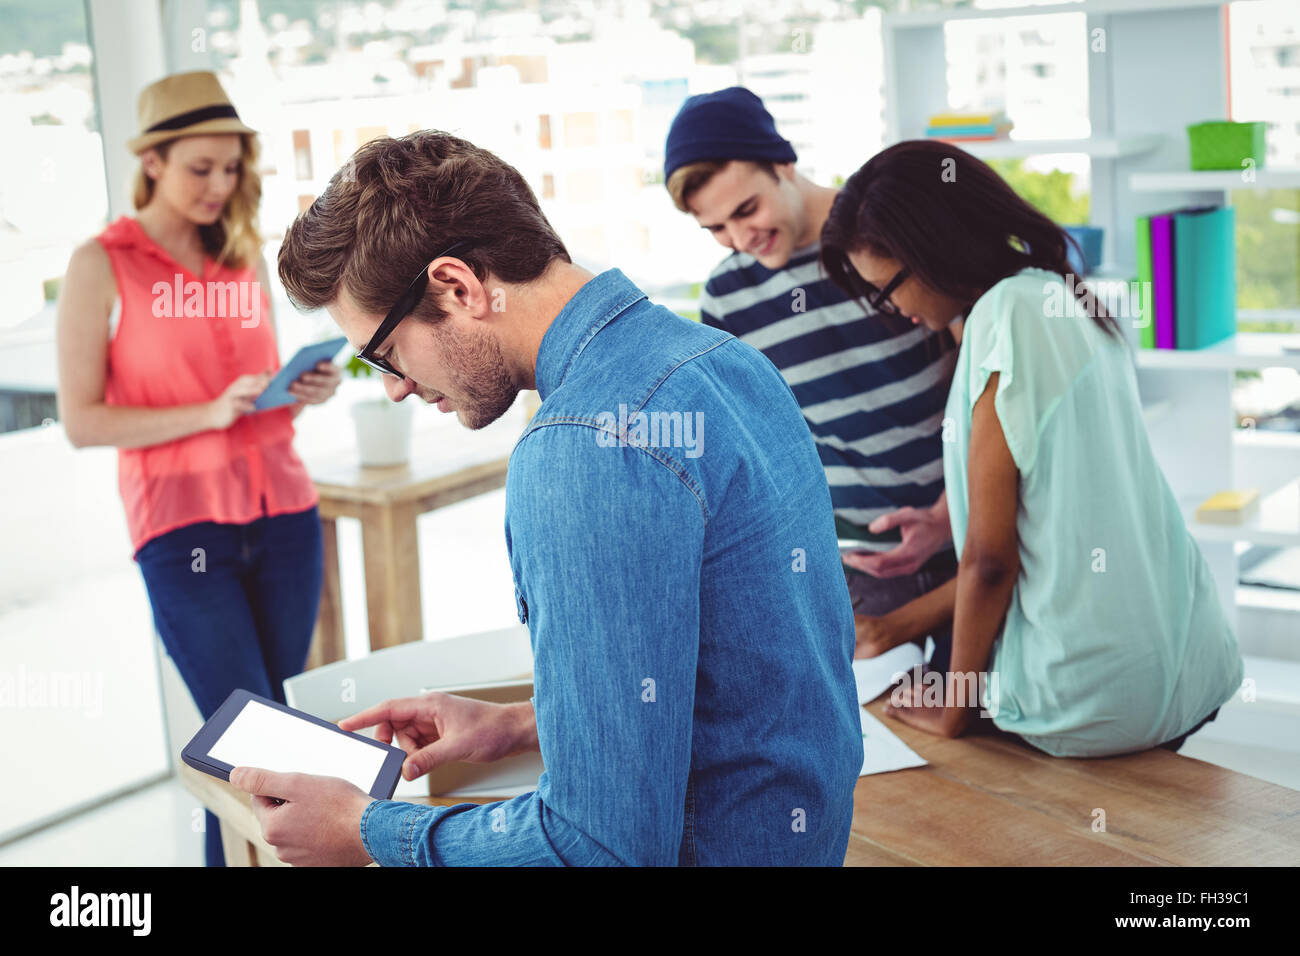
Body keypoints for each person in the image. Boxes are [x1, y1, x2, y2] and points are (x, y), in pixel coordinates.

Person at [226, 129, 863, 866]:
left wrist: (364, 832)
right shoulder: (723, 360)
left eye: (385, 354)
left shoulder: (581, 447)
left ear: (458, 288)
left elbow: (600, 847)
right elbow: (761, 683)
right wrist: (536, 723)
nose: (395, 387)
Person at [818, 139, 1244, 756]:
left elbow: (992, 561)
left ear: (931, 249)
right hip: (1184, 663)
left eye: (888, 291)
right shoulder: (1062, 295)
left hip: (1088, 699)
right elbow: (1040, 547)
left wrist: (952, 709)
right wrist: (894, 627)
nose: (893, 311)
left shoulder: (1004, 320)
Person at [55, 71, 341, 865]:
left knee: (292, 738)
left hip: (283, 513)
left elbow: (250, 397)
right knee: (246, 746)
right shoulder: (100, 265)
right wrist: (207, 412)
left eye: (230, 168)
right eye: (199, 167)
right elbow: (82, 421)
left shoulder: (241, 257)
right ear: (152, 161)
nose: (220, 185)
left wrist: (298, 391)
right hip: (182, 532)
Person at [663, 87, 959, 670]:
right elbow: (761, 447)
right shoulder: (727, 297)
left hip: (974, 536)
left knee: (988, 729)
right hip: (857, 569)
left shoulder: (887, 232)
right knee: (891, 746)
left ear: (783, 164)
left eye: (746, 210)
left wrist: (951, 515)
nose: (740, 239)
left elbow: (989, 384)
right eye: (716, 228)